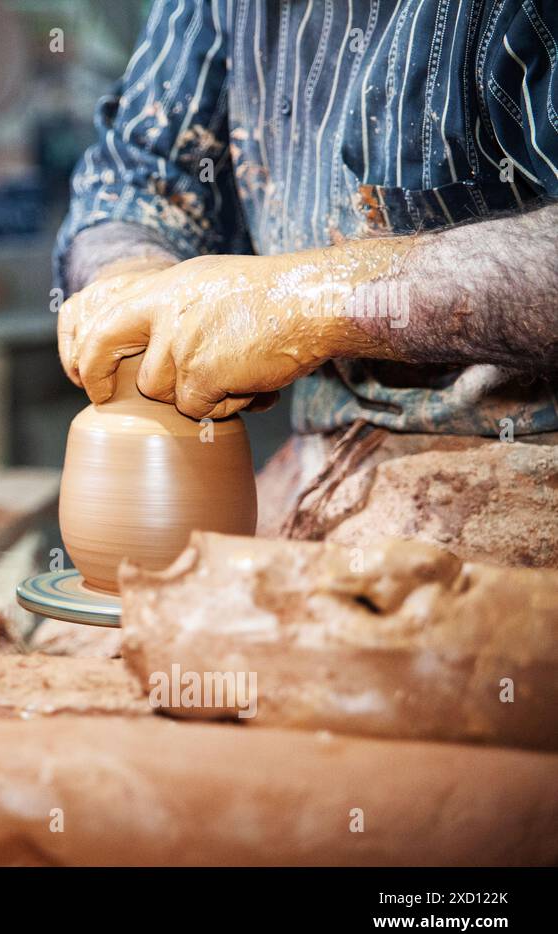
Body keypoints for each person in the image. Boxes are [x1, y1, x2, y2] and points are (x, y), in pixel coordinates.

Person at [55, 0, 558, 548]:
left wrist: (309, 302)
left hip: (528, 465)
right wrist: (133, 283)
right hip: (324, 455)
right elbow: (137, 174)